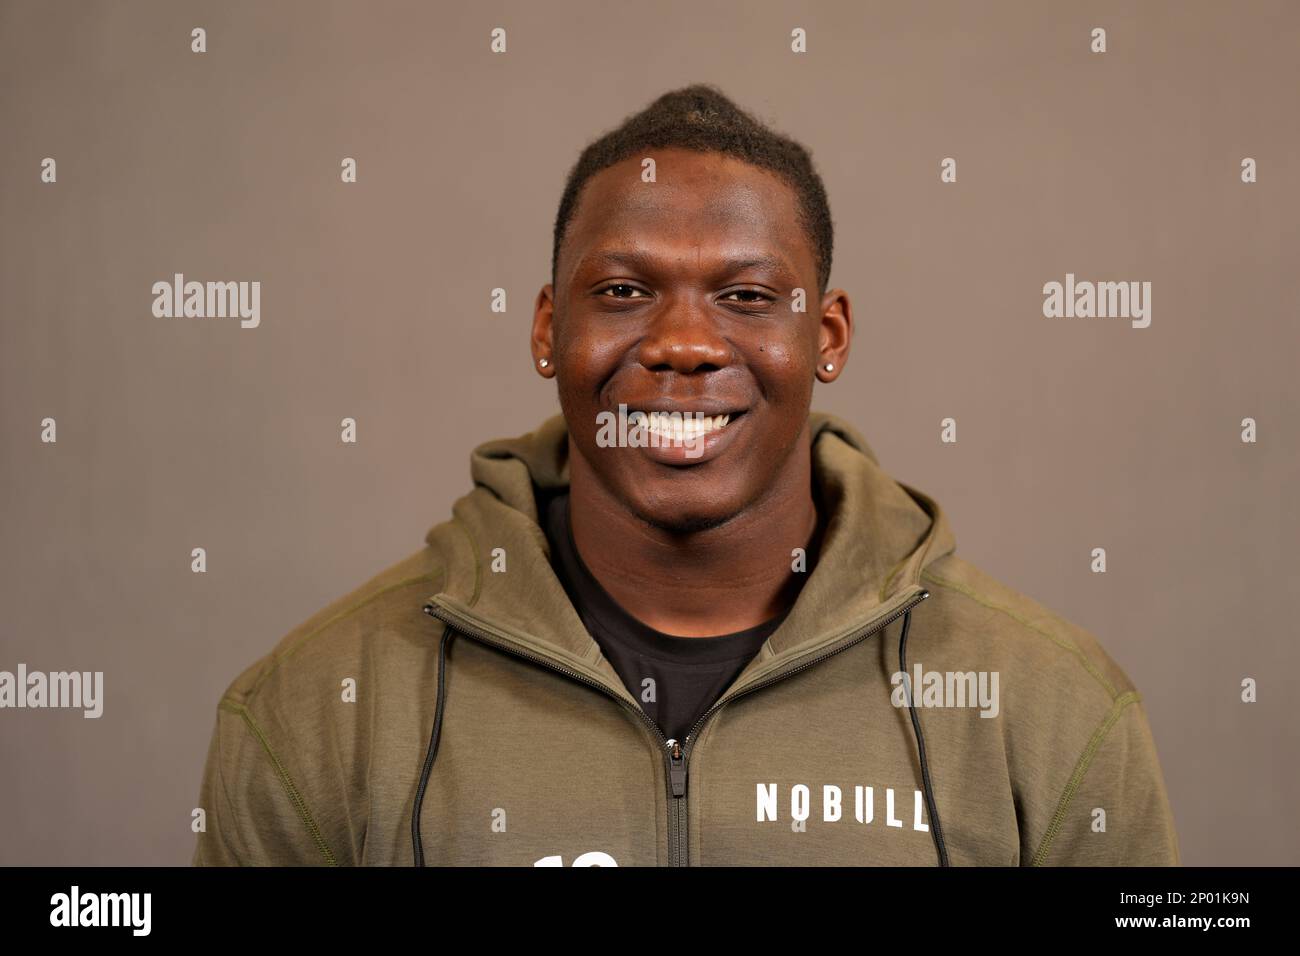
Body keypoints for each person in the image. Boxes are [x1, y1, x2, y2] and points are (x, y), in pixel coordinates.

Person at [192, 84, 1179, 866]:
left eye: (746, 295)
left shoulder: (1048, 710)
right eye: (623, 291)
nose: (683, 344)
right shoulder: (318, 710)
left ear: (824, 335)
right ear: (549, 328)